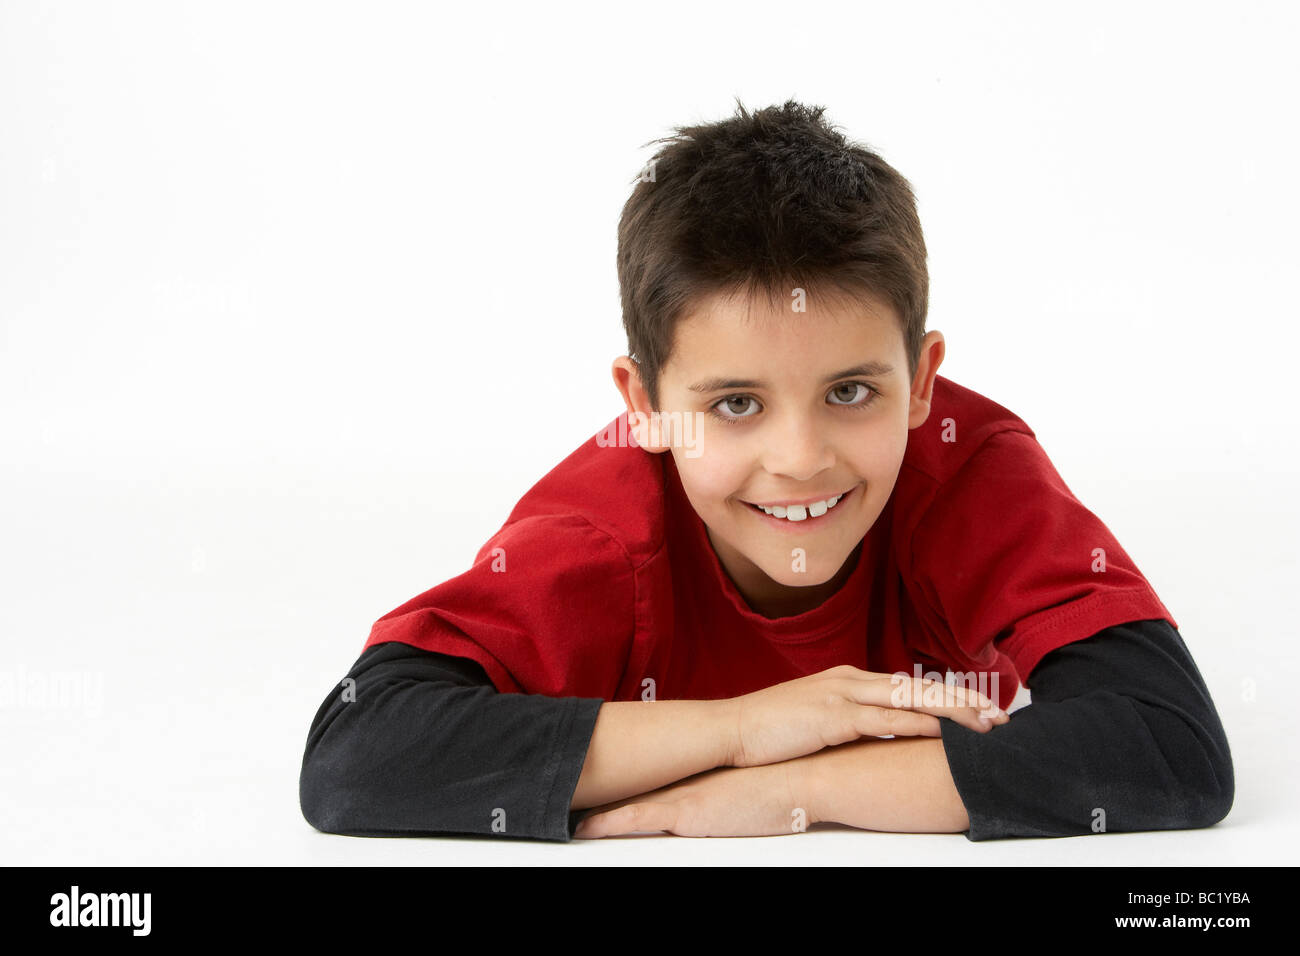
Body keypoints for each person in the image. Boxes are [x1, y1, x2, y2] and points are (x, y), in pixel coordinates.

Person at [299, 99, 1233, 842]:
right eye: (735, 404)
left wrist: (796, 786)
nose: (799, 459)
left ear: (922, 384)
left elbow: (1170, 745)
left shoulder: (968, 470)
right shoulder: (604, 535)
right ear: (644, 406)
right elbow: (357, 751)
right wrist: (747, 726)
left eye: (852, 392)